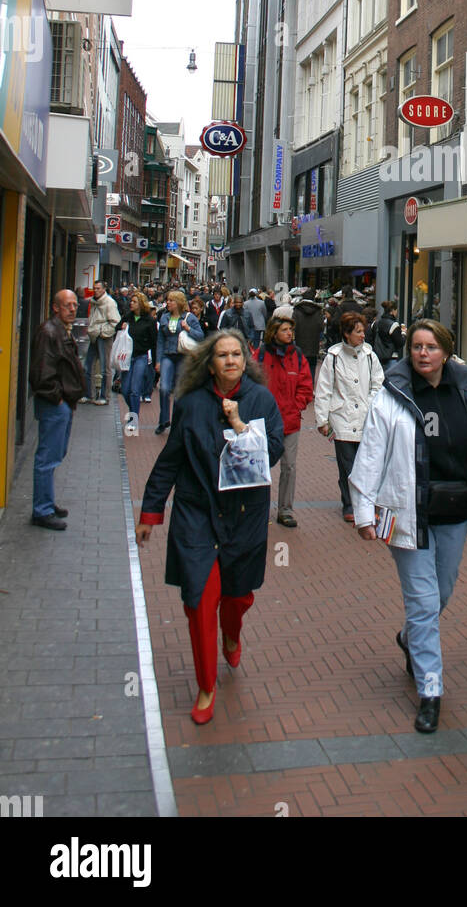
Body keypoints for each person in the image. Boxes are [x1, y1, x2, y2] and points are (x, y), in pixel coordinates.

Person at [351, 320, 467, 733]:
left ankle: (409, 639)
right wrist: (364, 510)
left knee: (441, 593)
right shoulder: (393, 396)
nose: (422, 353)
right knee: (422, 600)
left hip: (455, 509)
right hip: (407, 511)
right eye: (416, 346)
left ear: (446, 351)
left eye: (431, 346)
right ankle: (431, 689)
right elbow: (371, 452)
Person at [136, 331, 285, 724]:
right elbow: (171, 459)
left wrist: (239, 425)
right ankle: (206, 685)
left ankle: (232, 632)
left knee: (237, 596)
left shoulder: (261, 401)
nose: (231, 361)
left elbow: (273, 450)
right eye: (223, 355)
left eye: (237, 354)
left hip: (243, 515)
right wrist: (151, 512)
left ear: (245, 360)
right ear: (210, 362)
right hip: (196, 513)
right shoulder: (190, 404)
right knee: (199, 600)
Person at [315, 311, 384, 522]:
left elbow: (378, 383)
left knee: (367, 464)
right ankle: (349, 504)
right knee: (347, 465)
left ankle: (366, 503)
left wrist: (371, 404)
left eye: (364, 331)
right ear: (347, 334)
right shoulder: (333, 357)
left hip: (366, 419)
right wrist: (322, 419)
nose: (363, 336)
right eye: (358, 332)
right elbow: (324, 388)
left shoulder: (370, 357)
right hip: (341, 418)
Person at [28, 289, 88, 530]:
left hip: (62, 403)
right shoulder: (49, 332)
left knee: (55, 453)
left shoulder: (61, 330)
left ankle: (46, 502)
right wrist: (59, 400)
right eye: (67, 305)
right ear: (55, 307)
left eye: (74, 305)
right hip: (55, 404)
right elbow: (41, 373)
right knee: (47, 457)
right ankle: (41, 510)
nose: (73, 309)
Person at [257, 313, 313, 528]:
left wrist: (297, 404)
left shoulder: (297, 356)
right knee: (261, 466)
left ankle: (285, 509)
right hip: (266, 421)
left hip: (290, 420)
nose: (289, 333)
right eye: (285, 330)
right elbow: (252, 381)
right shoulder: (261, 355)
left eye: (291, 330)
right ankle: (259, 508)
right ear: (274, 332)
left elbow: (305, 384)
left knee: (289, 466)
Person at [155, 291, 204, 435]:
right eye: (167, 300)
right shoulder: (164, 317)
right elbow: (160, 340)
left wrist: (188, 328)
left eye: (171, 300)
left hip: (183, 356)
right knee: (164, 388)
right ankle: (163, 419)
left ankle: (177, 421)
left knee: (179, 392)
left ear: (179, 303)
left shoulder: (189, 318)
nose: (168, 303)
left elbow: (201, 336)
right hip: (167, 356)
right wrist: (158, 360)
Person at [119, 291, 158, 423]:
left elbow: (154, 342)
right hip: (127, 357)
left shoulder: (149, 321)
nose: (131, 303)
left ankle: (133, 420)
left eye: (134, 301)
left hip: (140, 357)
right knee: (125, 390)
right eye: (131, 301)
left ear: (141, 304)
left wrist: (155, 362)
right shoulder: (128, 317)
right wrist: (121, 326)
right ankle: (133, 409)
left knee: (135, 390)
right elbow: (117, 328)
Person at [82, 280, 120, 404]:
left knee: (105, 368)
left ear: (104, 289)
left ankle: (104, 396)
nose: (96, 290)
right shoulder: (94, 302)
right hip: (94, 335)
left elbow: (115, 321)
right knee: (88, 366)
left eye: (98, 288)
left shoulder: (109, 303)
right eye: (95, 288)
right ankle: (89, 394)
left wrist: (103, 332)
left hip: (103, 337)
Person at [291, 287, 324, 384]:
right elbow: (321, 327)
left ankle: (300, 384)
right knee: (312, 365)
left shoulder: (297, 310)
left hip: (300, 342)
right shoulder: (318, 311)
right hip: (313, 343)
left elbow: (293, 326)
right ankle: (310, 385)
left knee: (300, 365)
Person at [371, 299, 404, 369]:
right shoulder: (394, 325)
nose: (397, 312)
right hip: (391, 358)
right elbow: (400, 343)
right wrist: (404, 333)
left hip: (377, 357)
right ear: (392, 311)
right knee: (391, 378)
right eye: (396, 310)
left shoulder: (375, 323)